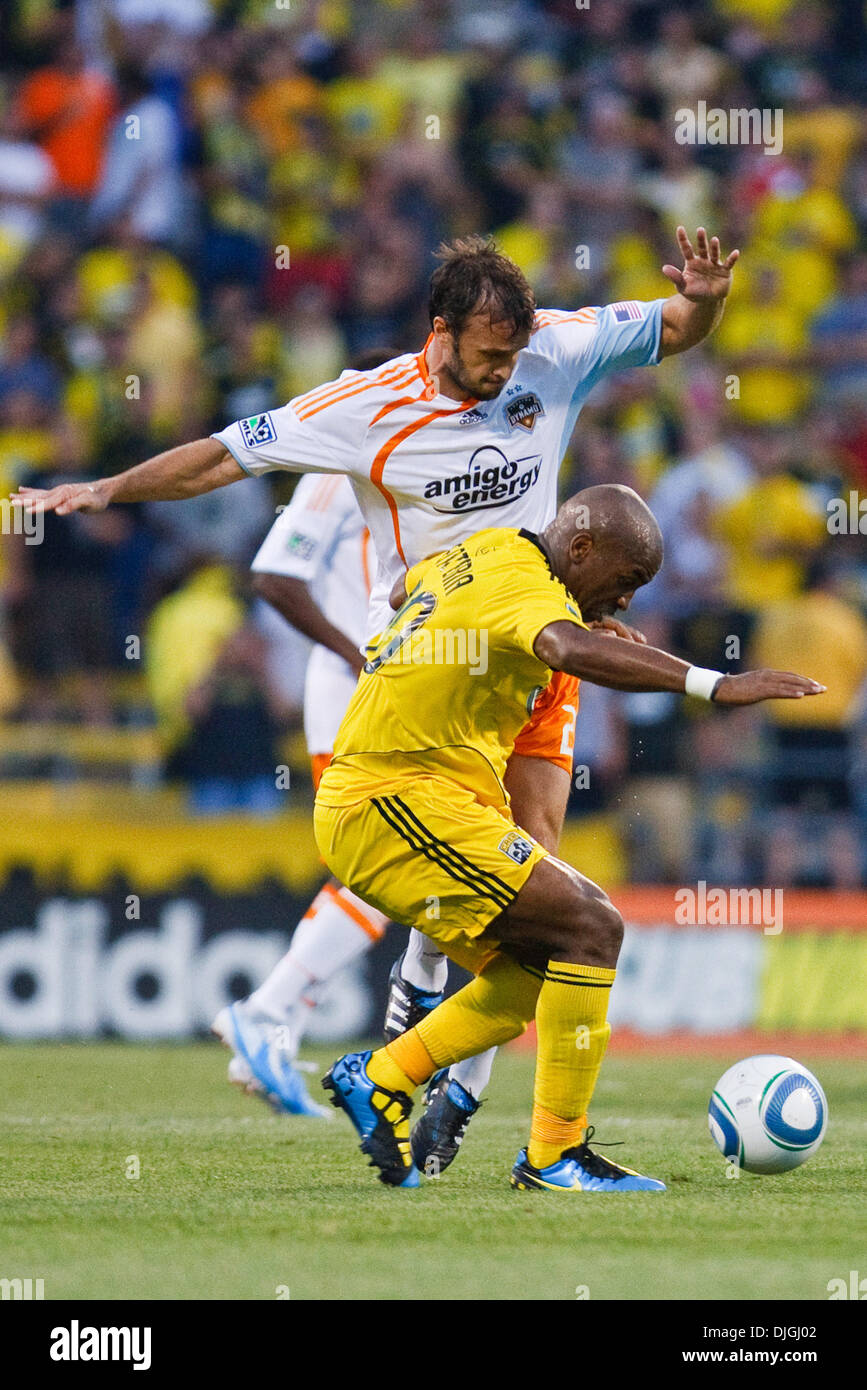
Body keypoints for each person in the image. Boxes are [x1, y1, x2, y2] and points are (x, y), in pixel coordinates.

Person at [12, 228, 739, 1148]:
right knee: (481, 871)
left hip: (545, 647)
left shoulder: (553, 348)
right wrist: (108, 489)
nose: (502, 373)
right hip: (440, 666)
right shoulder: (362, 407)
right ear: (440, 331)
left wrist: (707, 295)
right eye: (485, 355)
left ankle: (456, 1101)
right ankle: (411, 1016)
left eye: (512, 355)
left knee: (538, 867)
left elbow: (674, 328)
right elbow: (222, 455)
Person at [316, 485, 825, 1190]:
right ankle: (554, 1155)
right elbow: (559, 644)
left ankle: (382, 1077)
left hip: (413, 801)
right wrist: (713, 684)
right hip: (391, 800)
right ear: (579, 550)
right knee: (593, 926)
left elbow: (408, 582)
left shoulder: (487, 552)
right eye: (621, 586)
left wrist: (564, 615)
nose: (623, 606)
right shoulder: (524, 583)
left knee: (541, 962)